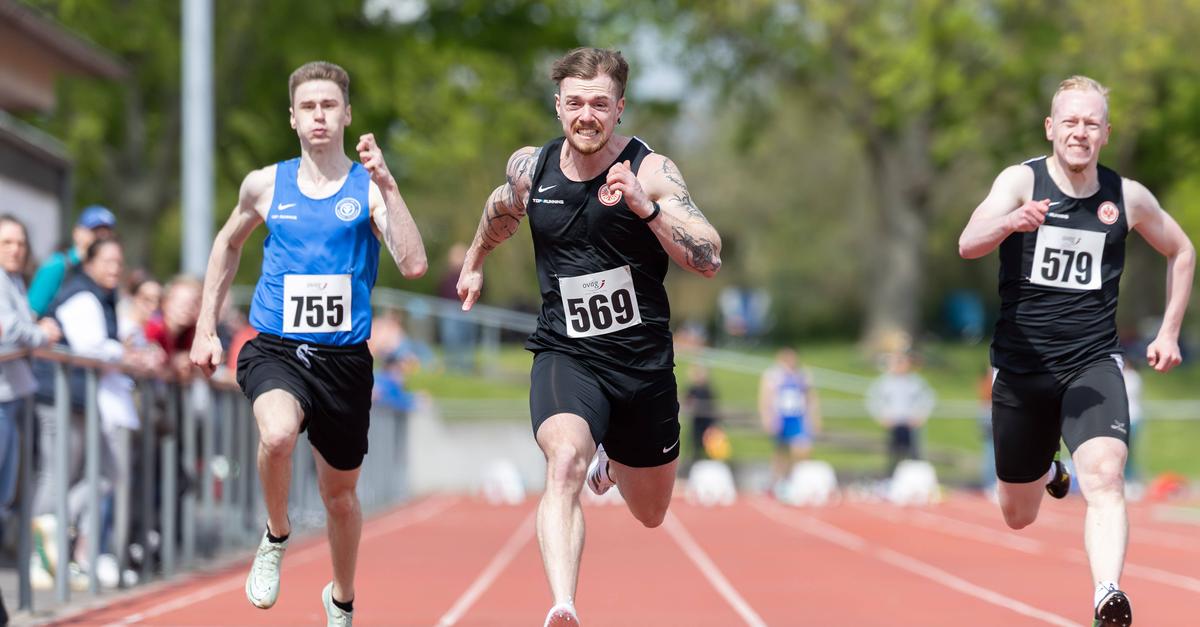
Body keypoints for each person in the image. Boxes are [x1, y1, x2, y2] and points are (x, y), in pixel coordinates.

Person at [456, 47, 722, 626]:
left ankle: (613, 463)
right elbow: (500, 208)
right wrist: (475, 258)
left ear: (618, 109)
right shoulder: (532, 167)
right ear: (558, 107)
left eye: (599, 104)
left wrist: (648, 210)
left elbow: (708, 255)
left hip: (641, 364)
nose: (586, 115)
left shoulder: (650, 170)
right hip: (566, 352)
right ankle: (563, 606)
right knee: (563, 462)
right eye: (574, 103)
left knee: (650, 512)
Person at [189, 60, 427, 626]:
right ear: (292, 117)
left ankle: (341, 598)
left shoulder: (368, 188)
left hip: (344, 360)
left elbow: (414, 263)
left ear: (345, 114)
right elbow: (226, 245)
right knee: (275, 436)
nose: (319, 116)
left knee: (340, 498)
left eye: (328, 106)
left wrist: (389, 186)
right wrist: (205, 325)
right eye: (308, 107)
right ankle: (275, 535)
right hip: (276, 345)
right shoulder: (264, 184)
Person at [957, 75, 1194, 627]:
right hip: (1021, 368)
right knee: (1019, 514)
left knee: (1108, 476)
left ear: (1105, 133)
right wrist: (1010, 222)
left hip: (1091, 363)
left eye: (1091, 123)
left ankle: (1107, 594)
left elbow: (1182, 250)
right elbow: (967, 242)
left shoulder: (1125, 196)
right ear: (1051, 127)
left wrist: (1168, 333)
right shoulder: (1020, 181)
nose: (1080, 132)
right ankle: (1048, 468)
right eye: (1071, 122)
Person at [0, 216, 61, 531]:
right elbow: (9, 329)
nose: (15, 250)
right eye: (7, 242)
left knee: (6, 494)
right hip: (3, 397)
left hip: (12, 394)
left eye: (20, 243)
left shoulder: (15, 281)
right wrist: (42, 334)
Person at [27, 205, 116, 317]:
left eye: (107, 233)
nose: (101, 237)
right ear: (77, 233)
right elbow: (31, 313)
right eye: (95, 231)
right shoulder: (58, 266)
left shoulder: (105, 276)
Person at [758, 348, 821, 493]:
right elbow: (765, 397)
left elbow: (811, 397)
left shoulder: (802, 375)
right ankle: (777, 482)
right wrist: (766, 417)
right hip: (780, 418)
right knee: (781, 452)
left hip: (798, 418)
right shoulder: (773, 375)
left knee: (802, 450)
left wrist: (814, 418)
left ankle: (795, 479)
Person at [865, 351, 934, 477]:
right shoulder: (885, 382)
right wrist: (882, 417)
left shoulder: (916, 382)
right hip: (894, 423)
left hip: (910, 423)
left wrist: (920, 416)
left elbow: (928, 399)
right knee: (894, 455)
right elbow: (873, 401)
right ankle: (891, 479)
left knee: (914, 454)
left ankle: (915, 479)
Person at [683, 364, 719, 472]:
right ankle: (694, 466)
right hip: (696, 422)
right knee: (695, 445)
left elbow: (712, 406)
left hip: (707, 423)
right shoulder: (692, 389)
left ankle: (710, 466)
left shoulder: (708, 389)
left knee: (709, 446)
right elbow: (686, 402)